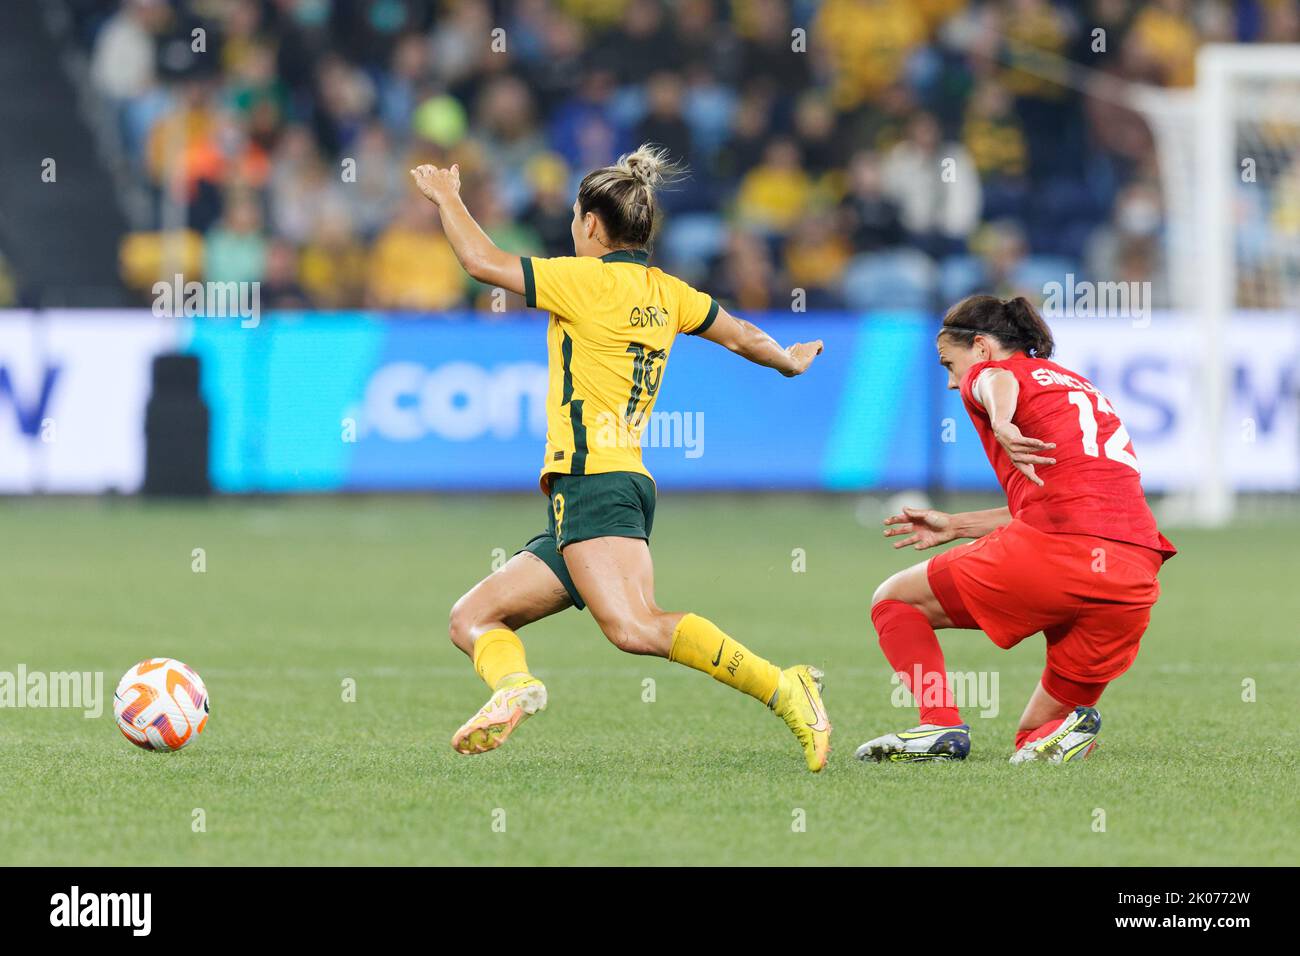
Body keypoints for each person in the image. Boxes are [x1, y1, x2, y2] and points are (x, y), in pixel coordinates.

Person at [409, 145, 832, 771]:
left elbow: (479, 260)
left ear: (592, 227)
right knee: (472, 616)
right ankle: (512, 685)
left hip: (592, 483)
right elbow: (741, 333)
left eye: (576, 220)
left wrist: (447, 196)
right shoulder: (668, 293)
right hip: (615, 482)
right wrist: (787, 359)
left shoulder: (582, 280)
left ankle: (782, 686)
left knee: (635, 627)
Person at [857, 294, 1176, 764]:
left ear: (981, 346)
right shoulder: (1080, 387)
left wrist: (1002, 420)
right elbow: (1063, 499)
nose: (951, 381)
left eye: (950, 363)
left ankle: (939, 726)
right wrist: (957, 524)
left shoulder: (993, 374)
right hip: (1132, 576)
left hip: (1055, 557)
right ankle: (1063, 734)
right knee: (1034, 737)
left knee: (894, 600)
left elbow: (996, 380)